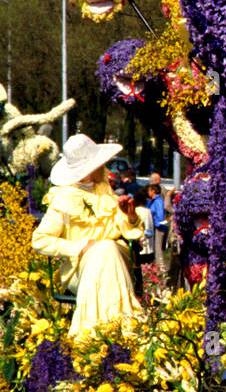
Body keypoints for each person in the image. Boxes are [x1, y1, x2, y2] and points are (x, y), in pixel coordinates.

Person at [31, 134, 145, 338]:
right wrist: (79, 247)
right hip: (80, 268)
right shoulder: (64, 197)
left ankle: (92, 335)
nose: (104, 166)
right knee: (104, 248)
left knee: (107, 248)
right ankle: (123, 328)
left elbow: (126, 229)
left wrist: (131, 216)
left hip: (116, 257)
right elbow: (40, 240)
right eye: (99, 163)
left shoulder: (105, 190)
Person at [147, 182, 169, 267]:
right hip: (156, 227)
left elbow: (160, 216)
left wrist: (155, 223)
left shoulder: (158, 201)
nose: (148, 192)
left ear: (153, 191)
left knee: (158, 248)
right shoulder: (155, 201)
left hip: (159, 227)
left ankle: (161, 267)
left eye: (149, 190)